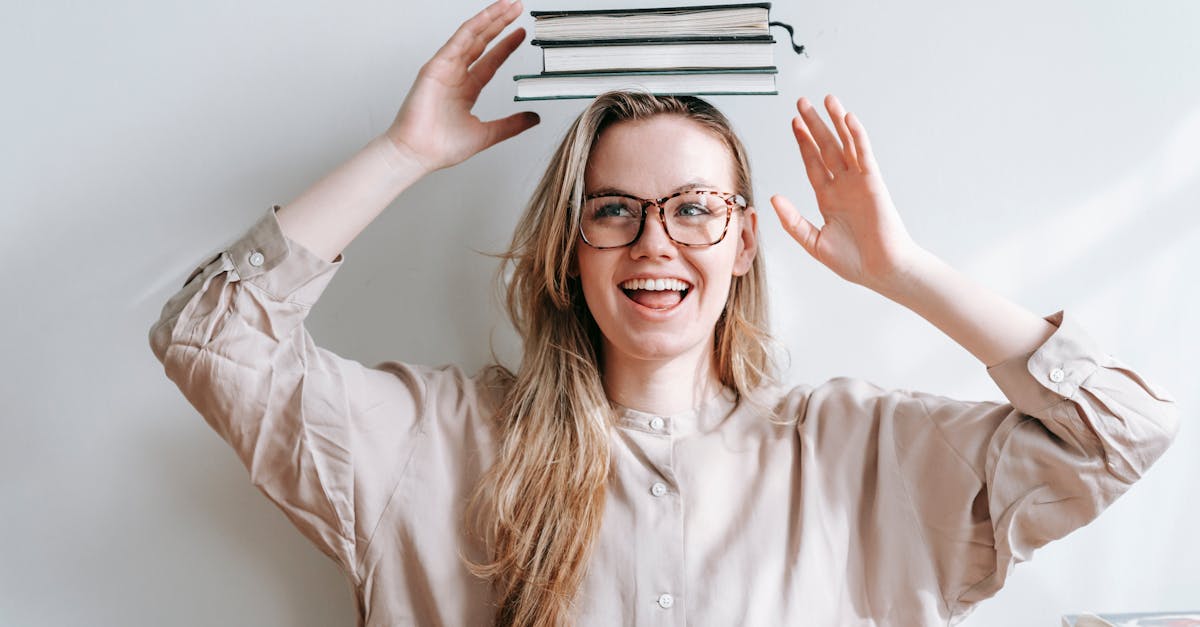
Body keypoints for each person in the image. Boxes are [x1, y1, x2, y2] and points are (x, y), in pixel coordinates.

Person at [148, 1, 1180, 625]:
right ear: (568, 250)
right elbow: (210, 337)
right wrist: (404, 154)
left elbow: (1120, 432)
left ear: (741, 244)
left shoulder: (854, 453)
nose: (656, 243)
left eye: (696, 210)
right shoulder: (433, 444)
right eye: (616, 211)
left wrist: (902, 271)